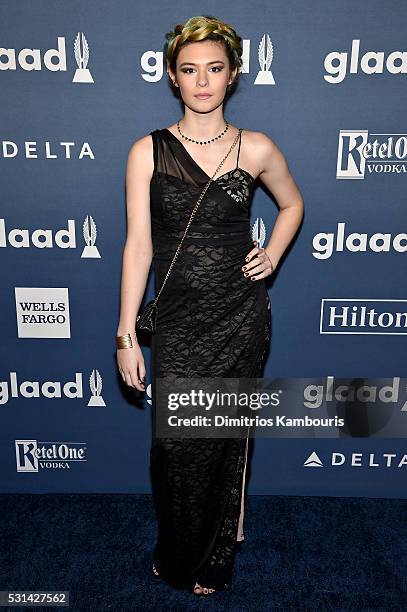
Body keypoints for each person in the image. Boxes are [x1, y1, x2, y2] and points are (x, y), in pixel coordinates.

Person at [116, 15, 304, 597]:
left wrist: (270, 254)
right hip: (177, 319)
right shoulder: (146, 152)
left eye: (215, 69)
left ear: (233, 75)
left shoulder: (257, 147)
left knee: (226, 440)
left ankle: (216, 558)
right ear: (173, 77)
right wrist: (126, 334)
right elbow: (139, 245)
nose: (203, 81)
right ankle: (177, 549)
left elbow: (293, 205)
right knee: (175, 446)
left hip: (239, 315)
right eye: (190, 70)